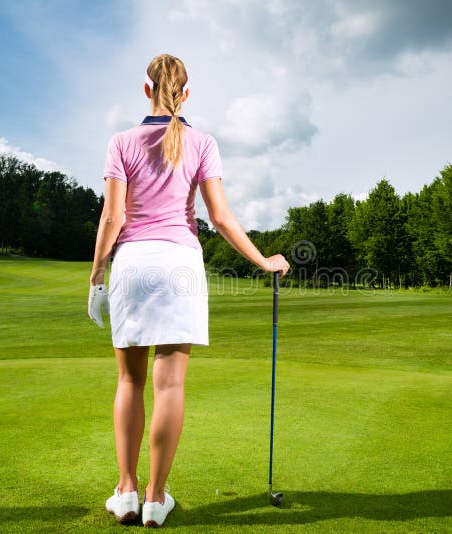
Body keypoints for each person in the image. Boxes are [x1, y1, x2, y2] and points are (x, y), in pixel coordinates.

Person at [87, 53, 290, 528]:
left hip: (133, 264)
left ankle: (127, 492)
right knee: (170, 384)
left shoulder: (121, 141)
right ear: (187, 92)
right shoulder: (203, 142)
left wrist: (97, 275)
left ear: (145, 90)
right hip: (180, 263)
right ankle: (157, 501)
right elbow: (219, 217)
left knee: (129, 381)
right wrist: (262, 260)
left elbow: (113, 218)